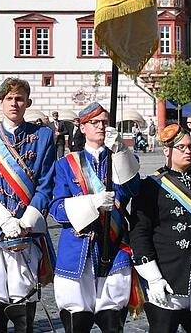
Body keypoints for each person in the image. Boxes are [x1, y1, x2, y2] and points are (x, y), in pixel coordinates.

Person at [0, 77, 56, 333]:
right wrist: (3, 218)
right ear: (1, 102)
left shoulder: (43, 136)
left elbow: (46, 182)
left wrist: (25, 220)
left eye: (19, 99)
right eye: (9, 99)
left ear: (28, 102)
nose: (14, 104)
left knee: (24, 302)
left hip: (26, 230)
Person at [50, 102, 142, 333]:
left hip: (114, 249)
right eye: (94, 122)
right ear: (82, 127)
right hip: (77, 249)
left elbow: (134, 189)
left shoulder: (122, 158)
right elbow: (57, 210)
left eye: (104, 122)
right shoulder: (65, 165)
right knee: (76, 320)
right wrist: (90, 203)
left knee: (112, 320)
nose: (100, 127)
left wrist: (121, 151)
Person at [130, 123, 191, 333]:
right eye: (181, 147)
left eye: (190, 147)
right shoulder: (151, 186)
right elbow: (139, 233)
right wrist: (153, 277)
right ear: (167, 151)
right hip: (168, 278)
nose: (188, 151)